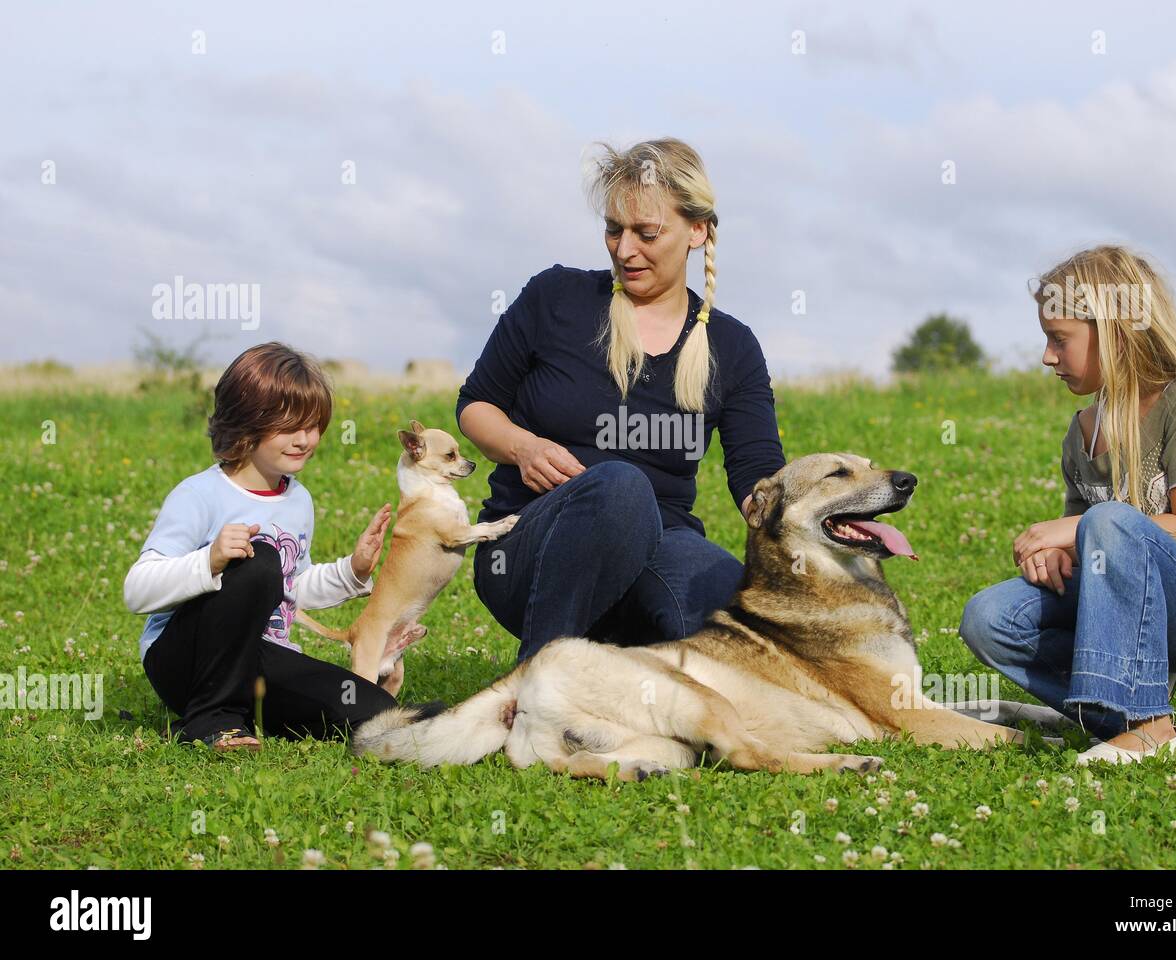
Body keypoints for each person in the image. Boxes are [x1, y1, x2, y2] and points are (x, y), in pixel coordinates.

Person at [456, 138, 786, 663]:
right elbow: (475, 405)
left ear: (697, 231)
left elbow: (759, 476)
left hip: (658, 548)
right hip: (529, 549)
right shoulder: (554, 297)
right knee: (618, 486)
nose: (624, 249)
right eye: (614, 229)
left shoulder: (734, 346)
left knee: (728, 602)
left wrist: (812, 512)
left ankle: (654, 703)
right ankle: (539, 678)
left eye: (646, 233)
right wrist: (523, 448)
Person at [959, 245, 1176, 765]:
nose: (1047, 357)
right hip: (1116, 596)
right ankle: (1103, 714)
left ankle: (1150, 725)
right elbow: (1082, 535)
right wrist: (1059, 553)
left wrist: (1076, 530)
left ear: (1116, 333)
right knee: (987, 617)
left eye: (1059, 339)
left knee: (1107, 521)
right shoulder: (1084, 430)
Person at [123, 342, 403, 751]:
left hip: (259, 660)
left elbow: (289, 588)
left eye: (314, 426)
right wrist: (210, 561)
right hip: (185, 662)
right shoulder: (199, 494)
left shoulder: (298, 499)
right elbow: (137, 591)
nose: (305, 440)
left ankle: (455, 728)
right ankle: (210, 721)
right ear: (246, 422)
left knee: (375, 710)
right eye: (290, 427)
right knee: (258, 560)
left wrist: (352, 571)